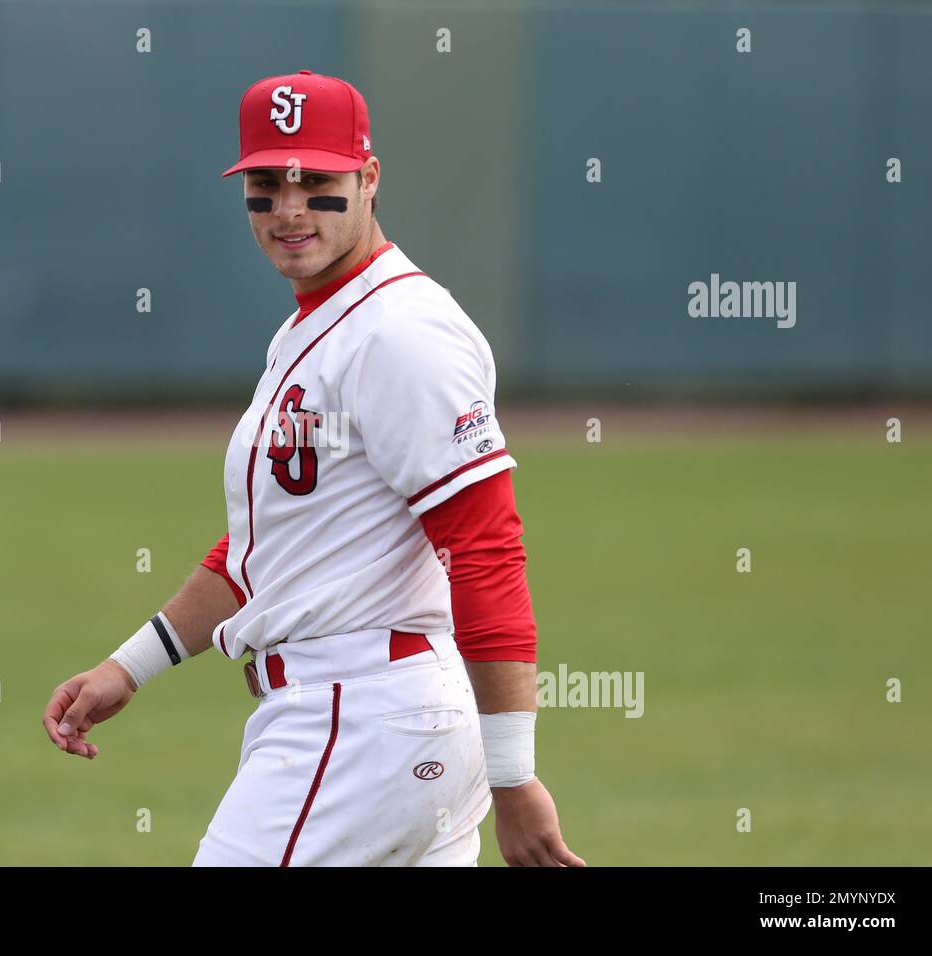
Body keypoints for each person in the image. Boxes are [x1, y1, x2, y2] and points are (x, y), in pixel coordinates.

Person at [43, 69, 584, 868]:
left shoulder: (400, 333)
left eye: (316, 182)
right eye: (266, 185)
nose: (290, 209)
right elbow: (270, 549)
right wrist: (131, 665)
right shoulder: (321, 325)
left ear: (368, 180)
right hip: (381, 718)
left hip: (360, 721)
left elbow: (485, 547)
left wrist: (516, 777)